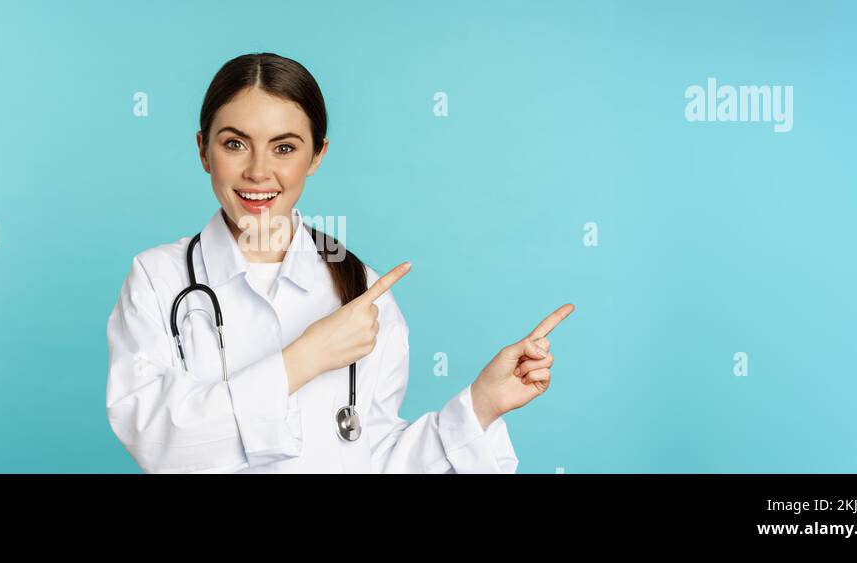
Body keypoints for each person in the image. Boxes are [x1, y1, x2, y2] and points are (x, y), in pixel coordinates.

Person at [106, 52, 574, 473]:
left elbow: (373, 457)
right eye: (235, 143)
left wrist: (482, 405)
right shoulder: (157, 278)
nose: (258, 171)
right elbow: (156, 443)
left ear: (316, 156)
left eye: (284, 148)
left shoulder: (360, 291)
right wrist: (306, 357)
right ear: (202, 150)